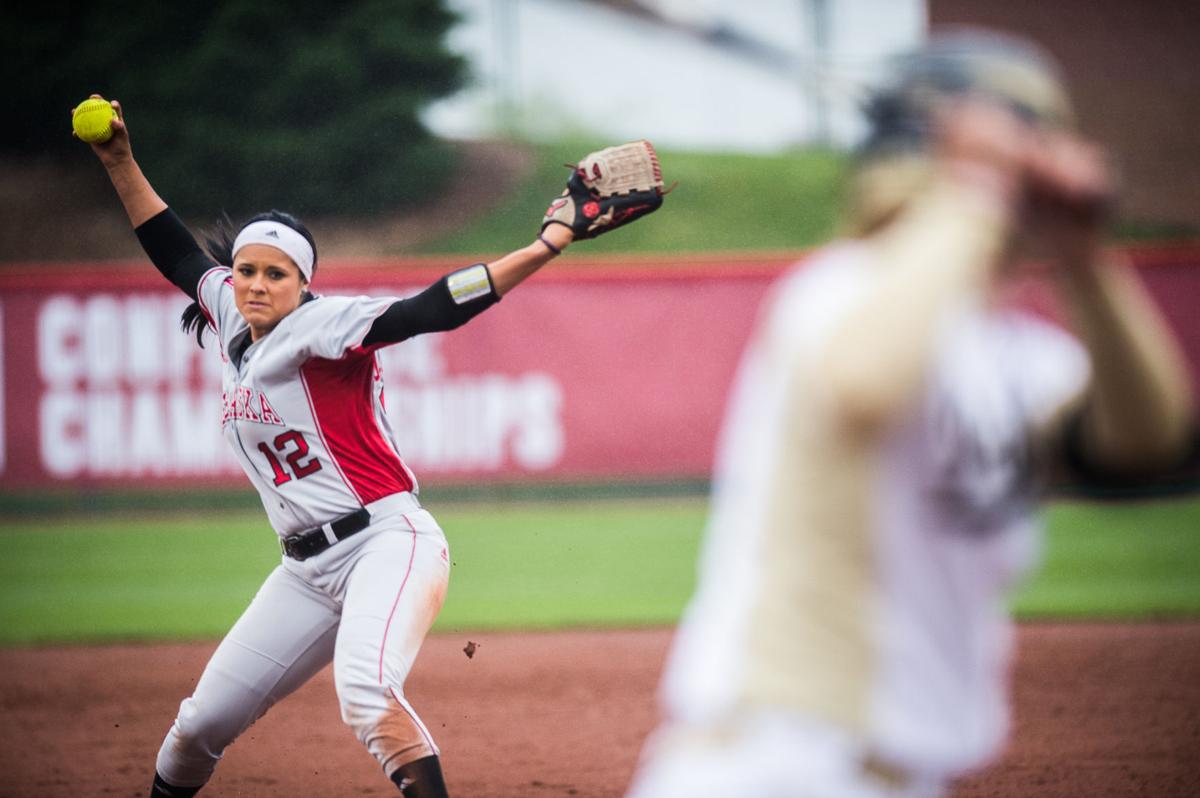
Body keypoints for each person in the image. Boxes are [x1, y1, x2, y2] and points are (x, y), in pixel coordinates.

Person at [626, 30, 1197, 798]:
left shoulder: (1018, 356)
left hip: (906, 773)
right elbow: (867, 380)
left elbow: (1150, 444)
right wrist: (977, 193)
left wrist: (1086, 258)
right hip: (776, 761)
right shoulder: (835, 289)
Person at [78, 96, 661, 798]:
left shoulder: (323, 327)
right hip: (304, 572)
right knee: (197, 728)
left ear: (303, 285)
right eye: (247, 270)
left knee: (365, 692)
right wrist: (119, 159)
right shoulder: (231, 307)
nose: (256, 284)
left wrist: (545, 246)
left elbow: (431, 308)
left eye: (276, 274)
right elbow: (171, 247)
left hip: (388, 541)